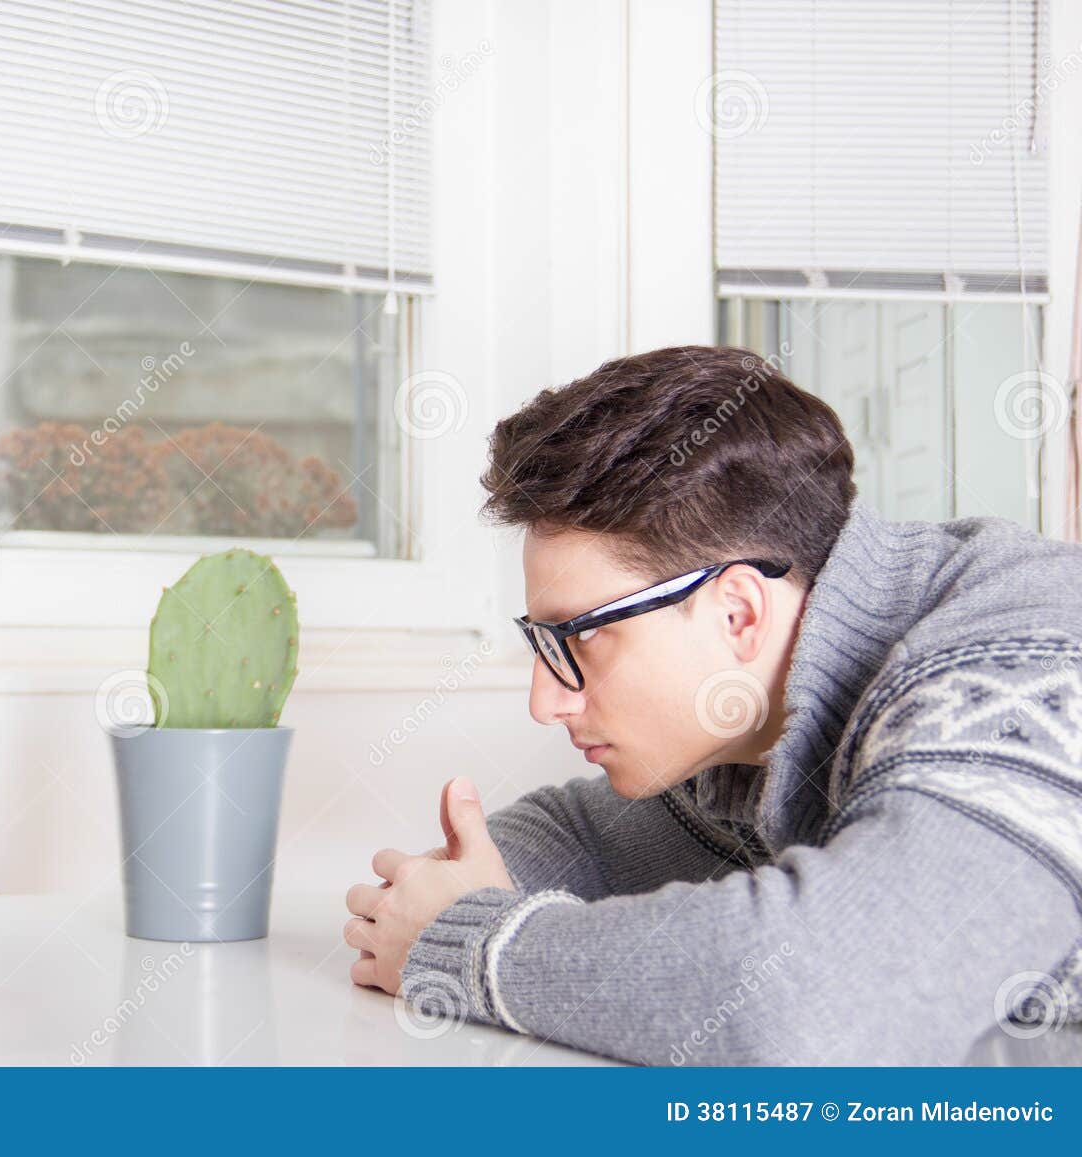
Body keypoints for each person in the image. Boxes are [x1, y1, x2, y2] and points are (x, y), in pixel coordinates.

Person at [343, 345, 1082, 1064]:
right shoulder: (764, 726)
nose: (546, 699)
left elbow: (817, 1000)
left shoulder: (1021, 661)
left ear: (738, 613)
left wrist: (471, 940)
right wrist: (449, 891)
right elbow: (588, 837)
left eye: (584, 637)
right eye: (541, 641)